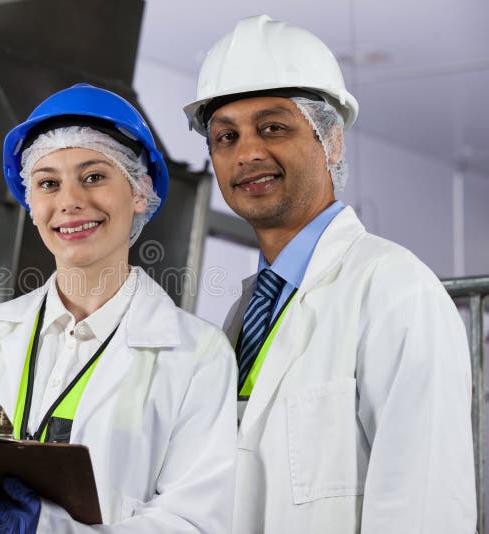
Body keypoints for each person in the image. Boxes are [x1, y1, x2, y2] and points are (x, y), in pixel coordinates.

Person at [0, 83, 238, 533]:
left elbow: (195, 524)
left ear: (139, 191)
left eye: (94, 176)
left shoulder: (197, 355)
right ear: (31, 202)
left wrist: (43, 529)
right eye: (48, 183)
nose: (70, 201)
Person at [183, 14, 476, 533]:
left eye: (272, 127)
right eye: (225, 136)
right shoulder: (245, 314)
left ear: (331, 141)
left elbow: (425, 507)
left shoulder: (395, 291)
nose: (247, 152)